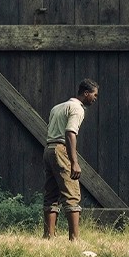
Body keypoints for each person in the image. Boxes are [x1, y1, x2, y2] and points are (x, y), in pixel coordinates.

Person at [43, 78, 99, 240]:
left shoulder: (57, 107)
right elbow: (70, 132)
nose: (95, 99)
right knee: (72, 193)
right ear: (86, 93)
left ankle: (48, 236)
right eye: (94, 95)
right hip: (61, 150)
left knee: (51, 194)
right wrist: (74, 162)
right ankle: (74, 238)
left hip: (49, 149)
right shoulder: (77, 108)